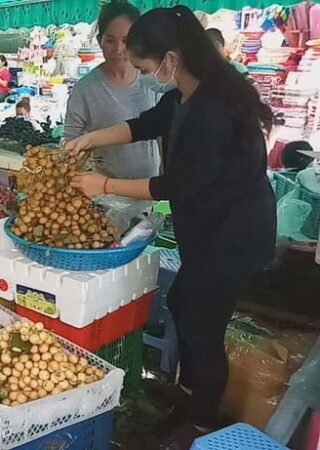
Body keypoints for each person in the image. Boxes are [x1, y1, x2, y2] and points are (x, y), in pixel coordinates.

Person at [64, 6, 276, 435]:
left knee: (203, 327)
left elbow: (176, 185)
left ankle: (199, 424)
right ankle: (189, 397)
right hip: (209, 229)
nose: (142, 74)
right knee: (182, 304)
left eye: (145, 65)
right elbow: (143, 124)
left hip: (233, 235)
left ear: (171, 58)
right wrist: (89, 138)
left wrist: (104, 185)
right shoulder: (185, 93)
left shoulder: (213, 108)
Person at [64, 0, 161, 180]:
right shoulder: (85, 89)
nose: (118, 49)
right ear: (100, 41)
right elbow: (69, 140)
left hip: (149, 188)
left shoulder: (152, 80)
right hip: (105, 196)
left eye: (126, 40)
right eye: (110, 40)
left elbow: (160, 130)